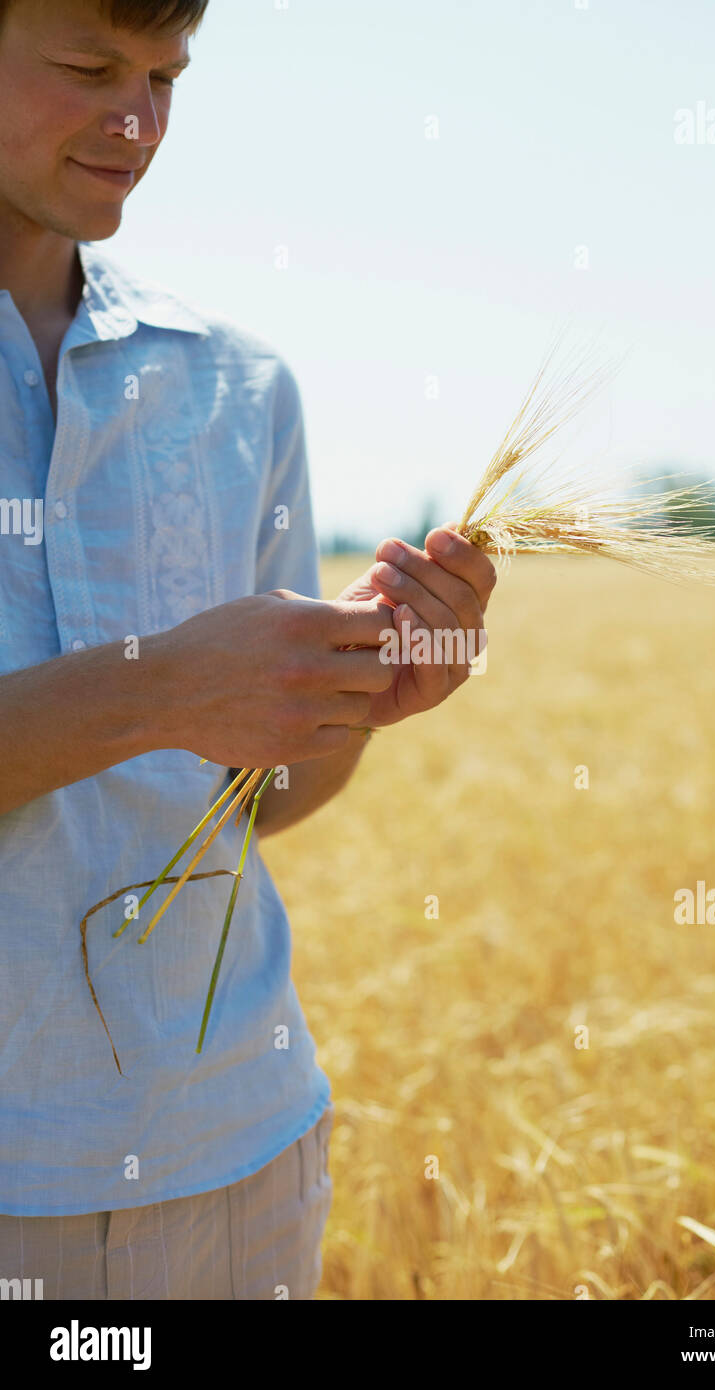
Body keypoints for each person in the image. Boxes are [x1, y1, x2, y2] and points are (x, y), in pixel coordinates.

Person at [0, 0, 495, 1300]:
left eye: (166, 74)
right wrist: (163, 685)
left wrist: (349, 703)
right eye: (91, 67)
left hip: (240, 1158)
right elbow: (167, 702)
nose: (137, 120)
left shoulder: (238, 386)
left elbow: (238, 807)